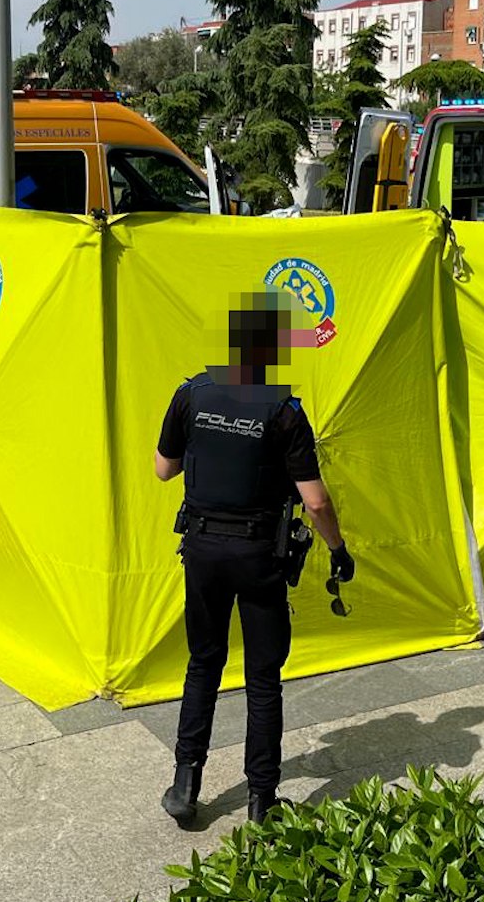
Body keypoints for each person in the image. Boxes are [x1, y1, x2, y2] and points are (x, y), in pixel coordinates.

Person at [153, 291, 356, 827]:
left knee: (203, 662)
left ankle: (185, 783)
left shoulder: (190, 394)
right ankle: (262, 800)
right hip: (259, 554)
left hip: (202, 550)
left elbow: (163, 469)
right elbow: (316, 502)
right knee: (263, 677)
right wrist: (338, 550)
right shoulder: (285, 411)